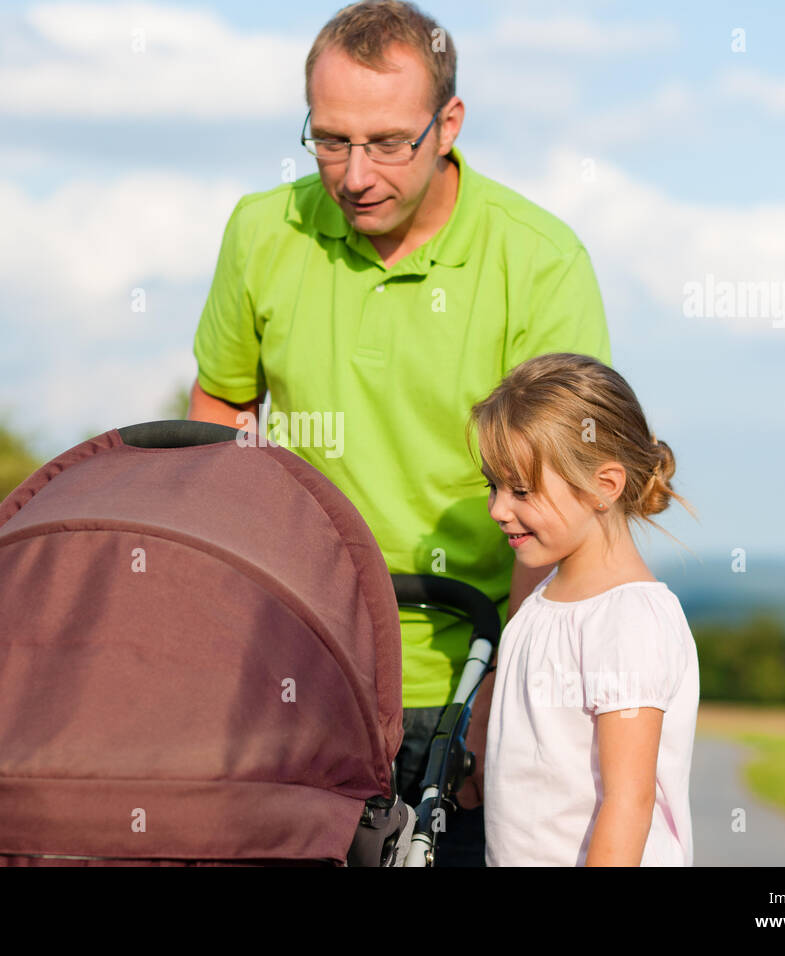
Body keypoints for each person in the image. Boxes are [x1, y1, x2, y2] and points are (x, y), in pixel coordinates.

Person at [187, 0, 610, 865]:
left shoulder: (539, 262)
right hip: (301, 670)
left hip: (474, 665)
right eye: (331, 139)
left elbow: (563, 497)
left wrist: (507, 694)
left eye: (387, 143)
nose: (354, 174)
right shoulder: (262, 231)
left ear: (447, 124)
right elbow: (222, 406)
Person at [467, 352, 700, 865]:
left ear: (604, 486)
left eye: (521, 490)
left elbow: (629, 803)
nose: (498, 509)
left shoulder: (629, 620)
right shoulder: (539, 604)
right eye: (493, 485)